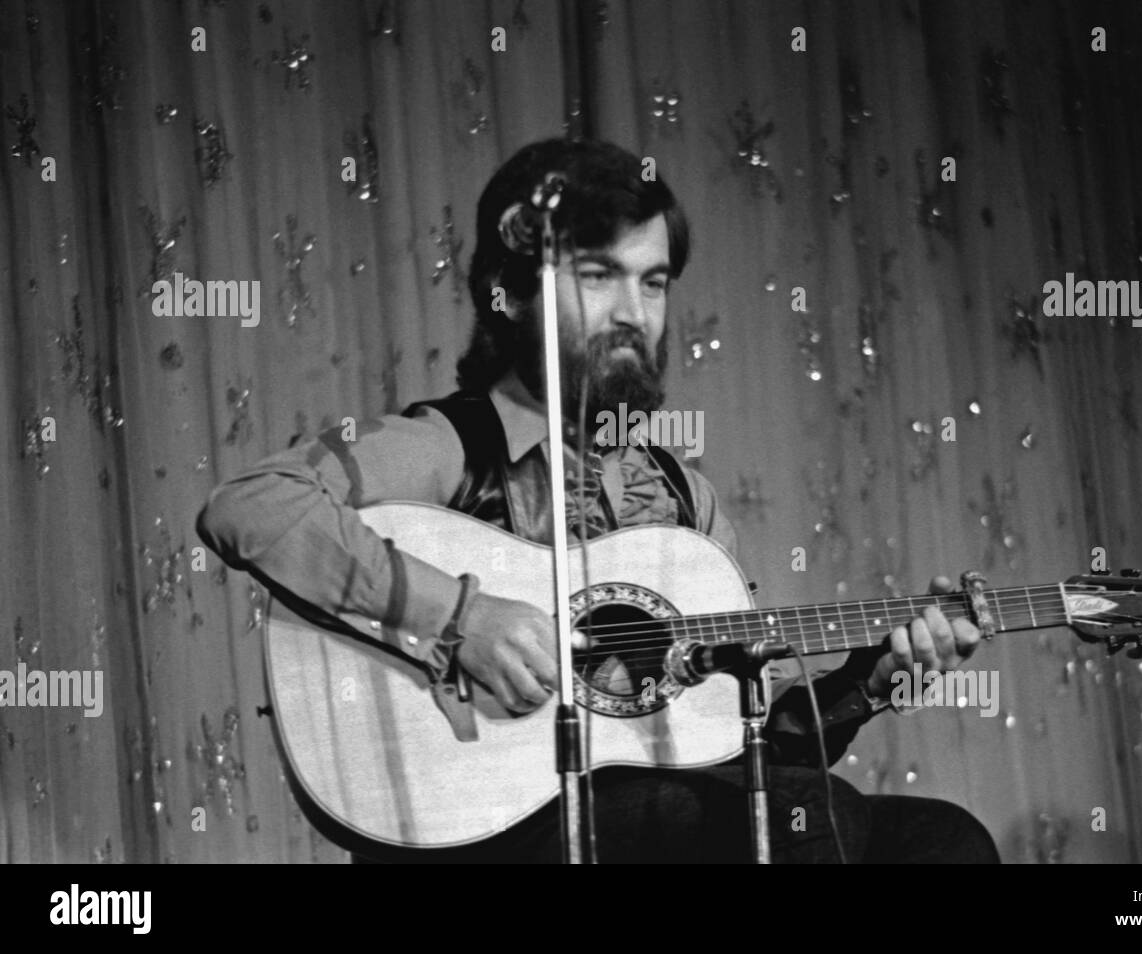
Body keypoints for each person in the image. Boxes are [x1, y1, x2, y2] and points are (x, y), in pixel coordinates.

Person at [196, 137, 999, 864]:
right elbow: (251, 505)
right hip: (484, 827)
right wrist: (463, 620)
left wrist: (877, 670)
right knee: (805, 818)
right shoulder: (450, 445)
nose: (632, 313)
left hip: (663, 817)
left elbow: (745, 748)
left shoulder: (683, 499)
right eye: (597, 276)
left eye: (652, 283)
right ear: (509, 290)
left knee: (942, 843)